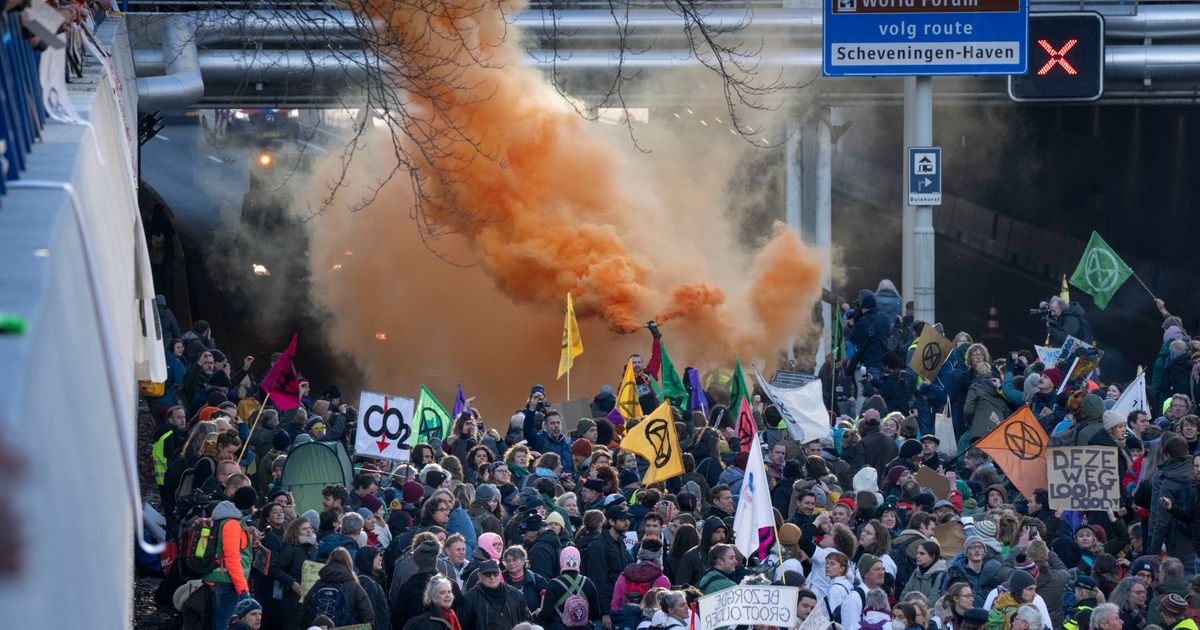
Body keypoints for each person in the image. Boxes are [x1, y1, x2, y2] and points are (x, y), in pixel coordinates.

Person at [205, 490, 257, 630]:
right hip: (226, 582)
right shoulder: (232, 523)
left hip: (225, 581)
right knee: (224, 625)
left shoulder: (229, 519)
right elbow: (232, 558)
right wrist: (242, 589)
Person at [586, 503, 633, 626]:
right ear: (611, 521)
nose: (627, 523)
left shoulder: (620, 542)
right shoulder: (598, 545)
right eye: (622, 520)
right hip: (606, 610)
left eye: (627, 519)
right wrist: (604, 612)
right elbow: (598, 580)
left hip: (621, 604)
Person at [303, 547, 375, 627]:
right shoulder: (353, 586)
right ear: (349, 563)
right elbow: (368, 614)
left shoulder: (318, 584)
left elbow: (304, 610)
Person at [537, 546, 602, 630]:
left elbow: (546, 615)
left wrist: (539, 613)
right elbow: (596, 614)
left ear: (561, 561)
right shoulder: (588, 583)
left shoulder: (553, 584)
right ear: (579, 561)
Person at [458, 559, 532, 630]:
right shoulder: (469, 599)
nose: (492, 577)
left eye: (495, 573)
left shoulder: (516, 595)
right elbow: (463, 626)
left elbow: (527, 623)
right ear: (479, 576)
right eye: (487, 574)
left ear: (500, 573)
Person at [523, 388, 576, 474]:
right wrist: (531, 409)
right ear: (545, 425)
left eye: (558, 422)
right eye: (552, 423)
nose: (556, 425)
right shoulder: (540, 440)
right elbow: (528, 430)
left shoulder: (568, 444)